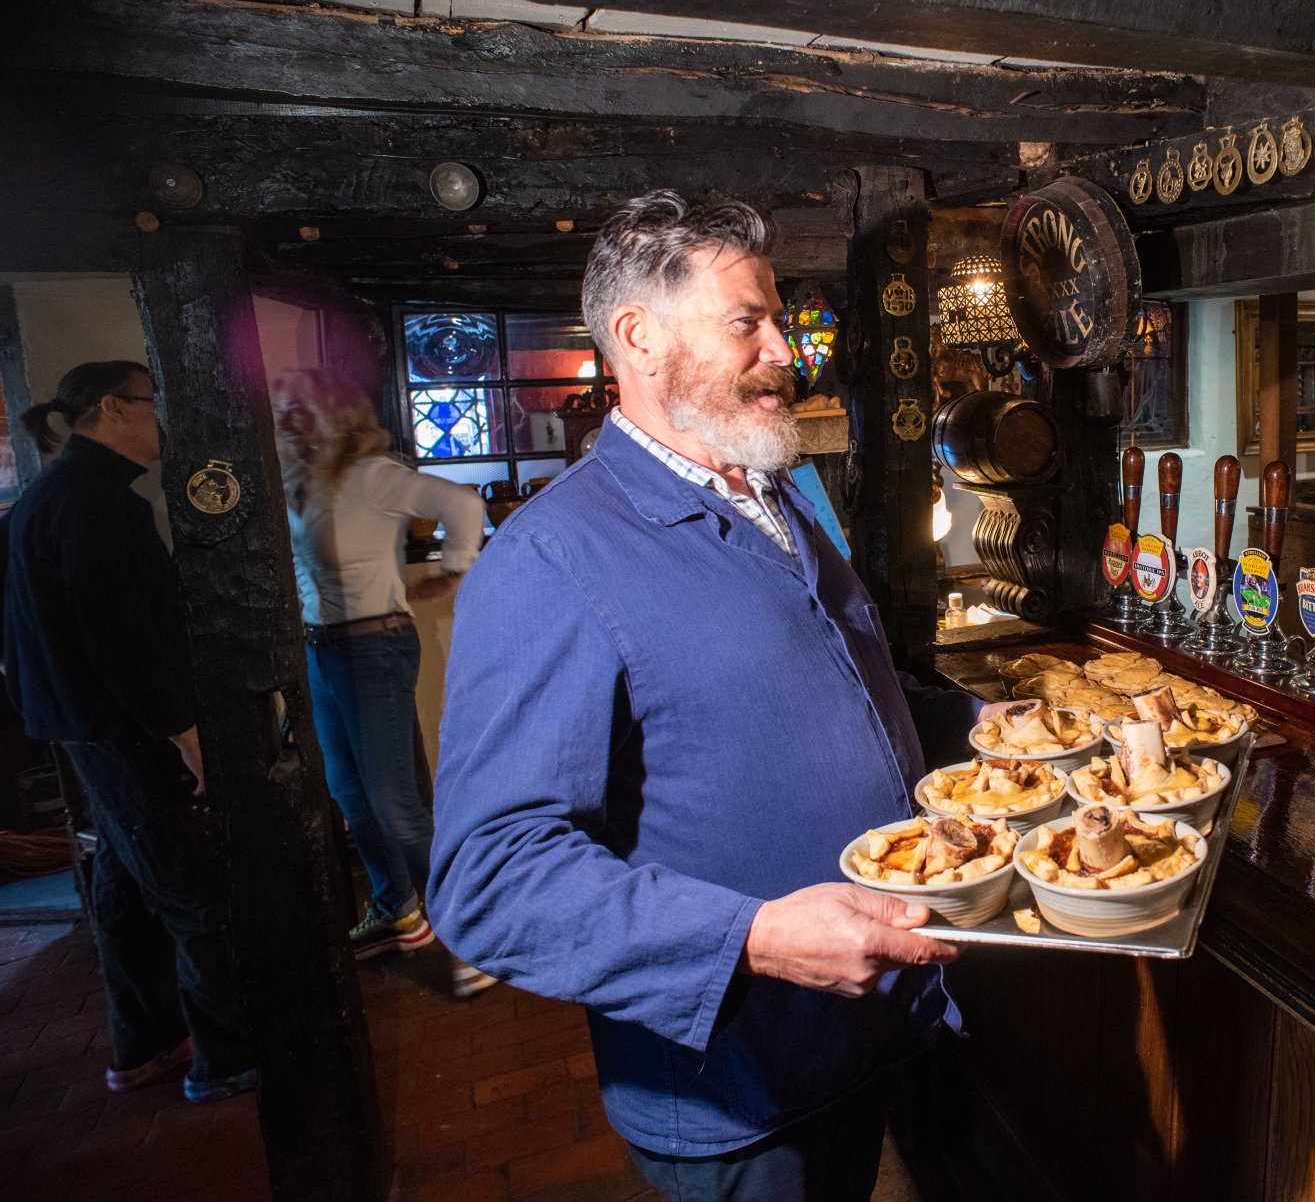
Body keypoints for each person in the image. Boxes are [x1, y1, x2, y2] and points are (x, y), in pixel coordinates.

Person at [429, 192, 1005, 1202]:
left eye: (778, 320)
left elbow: (840, 691)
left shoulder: (776, 493)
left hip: (869, 1026)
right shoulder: (553, 556)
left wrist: (985, 728)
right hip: (740, 1085)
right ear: (638, 336)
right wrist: (756, 938)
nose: (785, 351)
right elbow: (490, 877)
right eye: (749, 322)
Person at [2, 360, 256, 1101]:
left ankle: (147, 1042)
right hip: (122, 731)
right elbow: (121, 640)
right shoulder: (96, 504)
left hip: (87, 725)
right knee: (189, 890)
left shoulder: (59, 492)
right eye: (154, 402)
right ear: (112, 407)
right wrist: (183, 730)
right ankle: (228, 1057)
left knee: (124, 887)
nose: (163, 419)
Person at [271, 369, 492, 994]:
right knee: (349, 794)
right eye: (282, 407)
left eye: (301, 406)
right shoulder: (296, 482)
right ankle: (399, 910)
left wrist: (454, 570)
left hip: (374, 649)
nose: (288, 417)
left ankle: (472, 934)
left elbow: (463, 504)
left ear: (338, 412)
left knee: (396, 806)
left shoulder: (372, 476)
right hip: (319, 650)